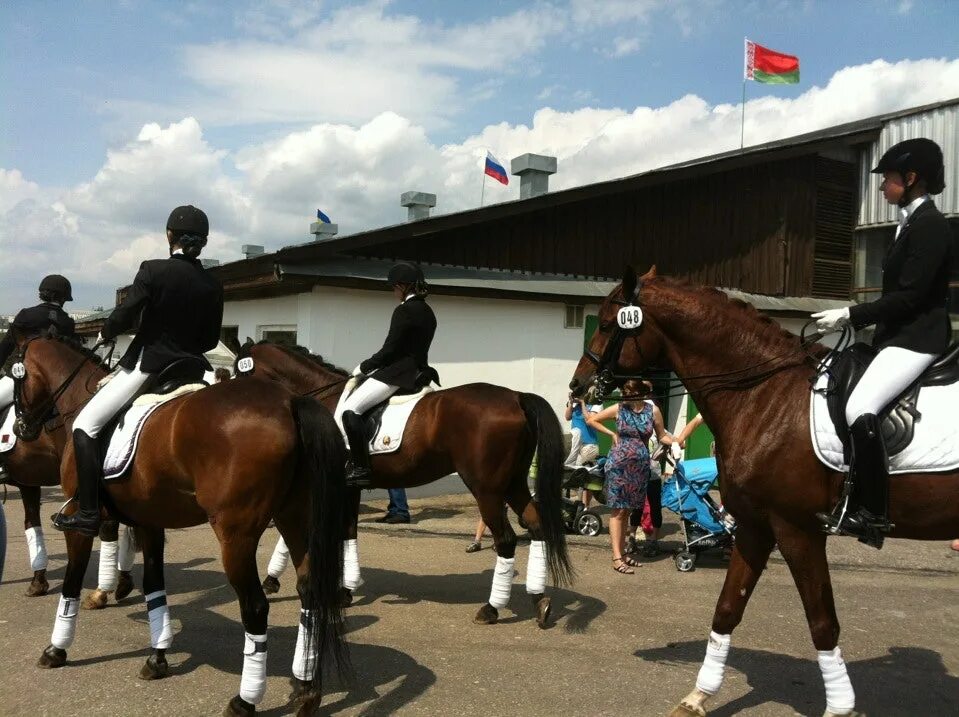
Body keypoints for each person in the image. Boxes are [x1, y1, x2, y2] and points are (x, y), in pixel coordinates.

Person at [812, 138, 953, 545]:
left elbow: (910, 297)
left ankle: (871, 511)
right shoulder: (908, 221)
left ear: (911, 179)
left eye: (888, 179)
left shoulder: (931, 226)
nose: (881, 187)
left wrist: (851, 313)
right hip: (895, 336)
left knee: (860, 407)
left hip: (917, 340)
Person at [54, 205, 224, 536]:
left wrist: (105, 333)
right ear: (203, 243)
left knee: (85, 426)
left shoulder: (153, 270)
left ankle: (88, 512)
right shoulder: (212, 284)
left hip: (152, 365)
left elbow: (125, 314)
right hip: (195, 368)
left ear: (168, 236)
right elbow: (210, 338)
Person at [335, 262, 437, 488]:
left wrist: (364, 367)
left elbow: (390, 350)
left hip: (398, 374)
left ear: (402, 286)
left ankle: (360, 467)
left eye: (394, 287)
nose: (393, 292)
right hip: (420, 373)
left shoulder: (404, 311)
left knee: (350, 410)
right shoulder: (428, 312)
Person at [588, 380, 672, 574]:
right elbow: (592, 420)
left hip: (640, 467)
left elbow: (662, 436)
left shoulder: (653, 411)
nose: (626, 395)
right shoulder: (619, 408)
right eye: (624, 391)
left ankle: (624, 554)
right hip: (619, 464)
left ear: (642, 393)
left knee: (627, 511)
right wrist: (611, 433)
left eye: (630, 391)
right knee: (618, 510)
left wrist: (676, 441)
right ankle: (617, 557)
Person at [0, 275, 76, 412]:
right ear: (63, 298)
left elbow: (5, 347)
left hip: (23, 376)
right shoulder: (68, 323)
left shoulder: (26, 315)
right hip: (57, 383)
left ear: (41, 294)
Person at [564, 394, 601, 506]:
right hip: (576, 444)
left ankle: (584, 505)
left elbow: (589, 420)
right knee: (574, 472)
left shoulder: (595, 405)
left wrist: (583, 403)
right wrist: (571, 403)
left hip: (590, 445)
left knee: (582, 474)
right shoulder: (575, 405)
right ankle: (580, 504)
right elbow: (567, 417)